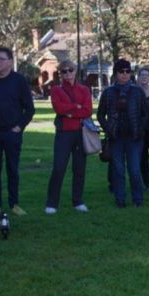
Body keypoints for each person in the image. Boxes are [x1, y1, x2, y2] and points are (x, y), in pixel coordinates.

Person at [0, 47, 34, 216]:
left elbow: (30, 109)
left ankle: (14, 203)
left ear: (10, 62)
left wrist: (18, 128)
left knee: (12, 169)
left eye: (1, 59)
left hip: (12, 133)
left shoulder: (19, 81)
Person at [97, 59, 148, 208]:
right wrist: (108, 128)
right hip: (116, 137)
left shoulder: (137, 91)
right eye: (121, 71)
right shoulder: (108, 92)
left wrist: (140, 129)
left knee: (134, 170)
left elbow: (146, 114)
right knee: (118, 170)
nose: (125, 74)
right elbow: (100, 114)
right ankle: (120, 199)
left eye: (127, 71)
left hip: (134, 137)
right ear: (116, 73)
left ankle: (138, 199)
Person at [46, 60, 92, 214]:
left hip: (79, 133)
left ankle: (77, 201)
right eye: (64, 71)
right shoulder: (56, 90)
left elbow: (87, 111)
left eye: (70, 70)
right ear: (61, 74)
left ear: (75, 71)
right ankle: (52, 203)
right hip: (64, 133)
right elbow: (58, 108)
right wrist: (75, 108)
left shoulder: (84, 90)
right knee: (59, 168)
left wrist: (70, 112)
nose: (68, 73)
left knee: (79, 169)